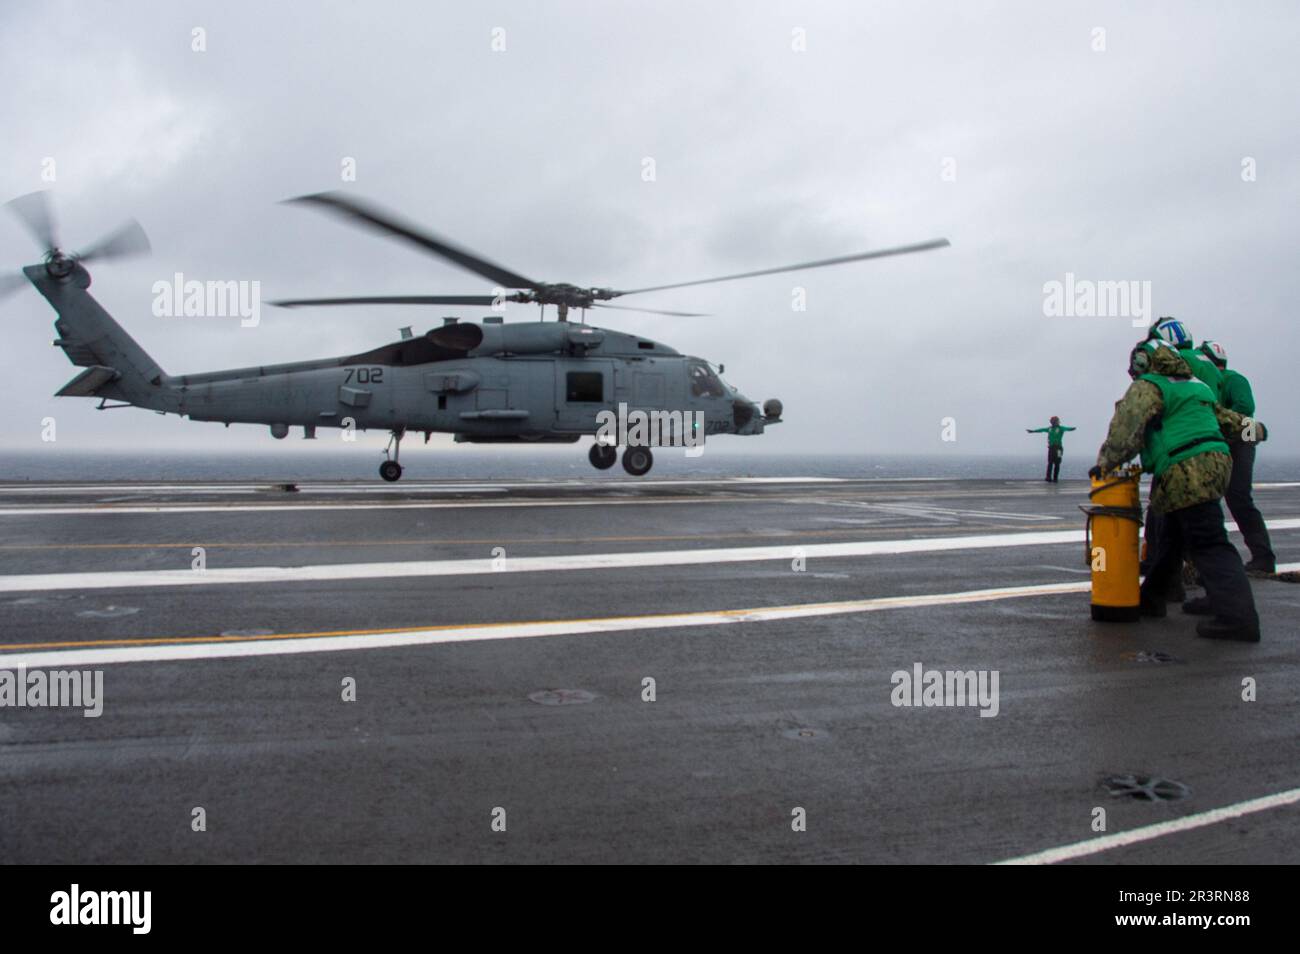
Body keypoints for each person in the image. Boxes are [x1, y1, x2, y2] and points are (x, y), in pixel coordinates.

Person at [1091, 338, 1262, 642]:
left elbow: (1126, 428)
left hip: (1186, 468)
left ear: (1145, 362)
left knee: (1210, 544)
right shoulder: (1196, 386)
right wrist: (1258, 429)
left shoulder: (1149, 386)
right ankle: (1153, 598)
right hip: (1216, 463)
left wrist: (1105, 464)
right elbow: (1229, 420)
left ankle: (1239, 619)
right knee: (1170, 539)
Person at [1193, 340, 1275, 577]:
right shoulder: (1220, 381)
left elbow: (1245, 408)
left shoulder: (1232, 379)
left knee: (1238, 498)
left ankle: (1263, 558)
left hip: (1240, 442)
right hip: (1229, 441)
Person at [1026, 416, 1075, 482]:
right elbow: (1041, 430)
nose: (1057, 422)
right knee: (1050, 463)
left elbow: (1067, 428)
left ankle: (1055, 478)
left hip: (1059, 448)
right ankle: (1048, 477)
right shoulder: (1049, 429)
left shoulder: (1060, 428)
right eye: (1056, 421)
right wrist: (1033, 431)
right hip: (1051, 448)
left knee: (1057, 463)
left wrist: (1072, 429)